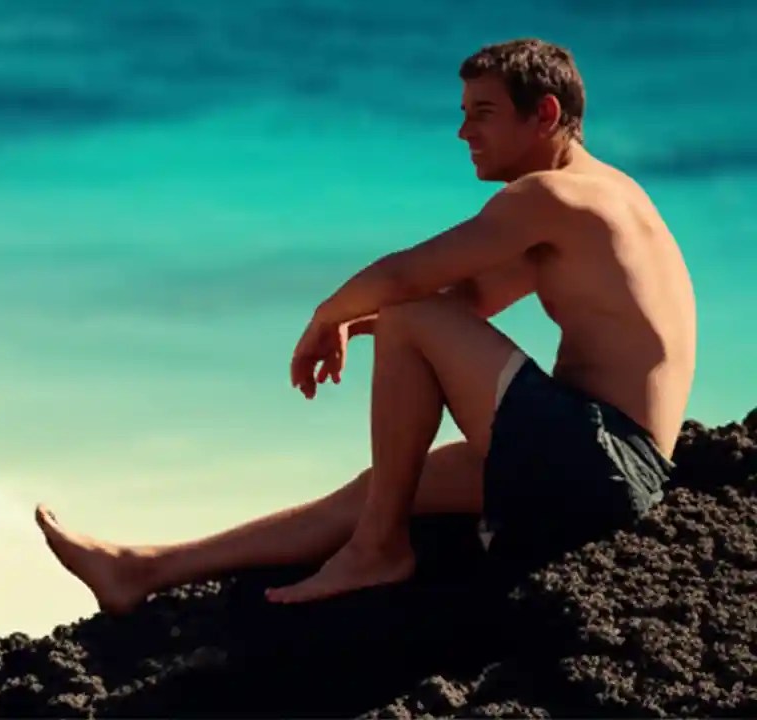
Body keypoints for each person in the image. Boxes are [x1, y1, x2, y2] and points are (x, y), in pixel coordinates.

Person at [35, 37, 695, 613]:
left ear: (545, 113)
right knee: (377, 489)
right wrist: (364, 325)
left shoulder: (550, 197)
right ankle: (140, 570)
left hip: (597, 459)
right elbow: (469, 301)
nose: (464, 133)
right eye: (463, 115)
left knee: (410, 319)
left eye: (484, 114)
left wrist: (328, 315)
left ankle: (379, 551)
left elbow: (413, 279)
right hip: (608, 469)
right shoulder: (602, 199)